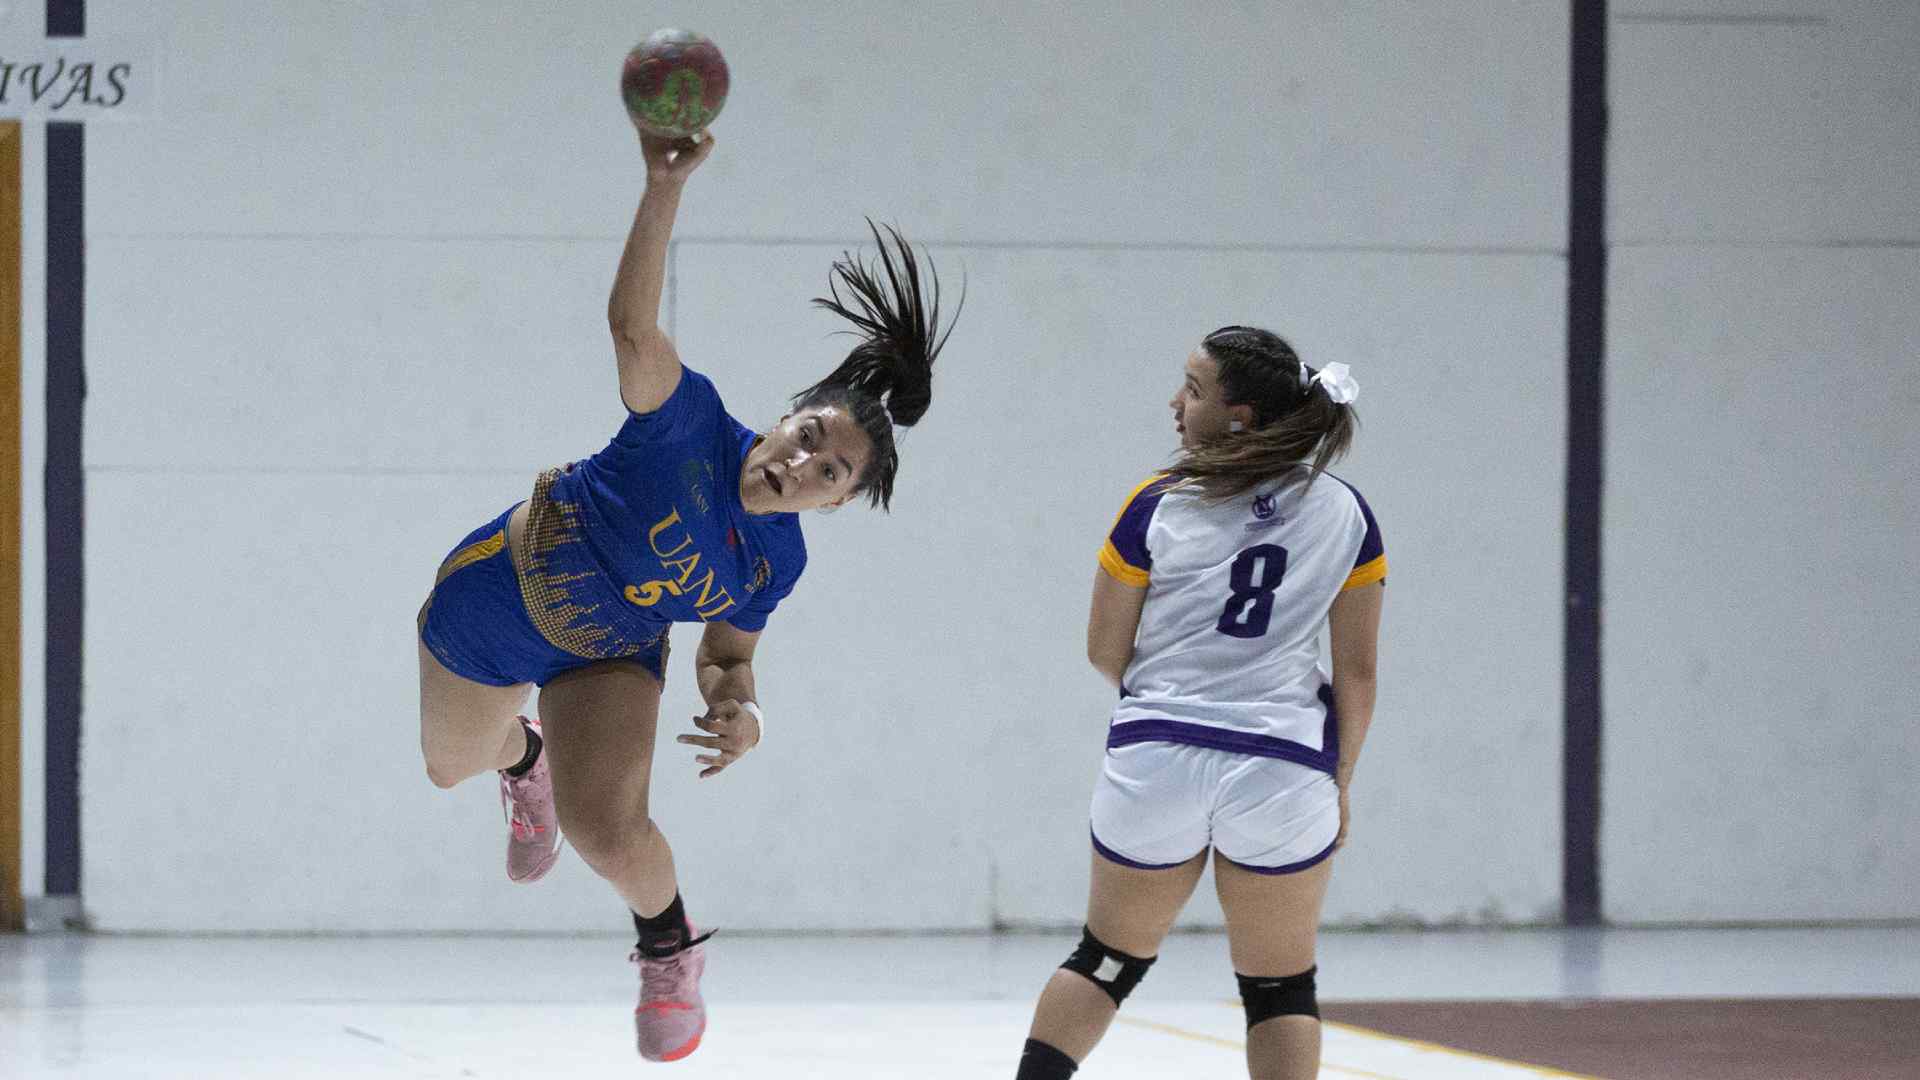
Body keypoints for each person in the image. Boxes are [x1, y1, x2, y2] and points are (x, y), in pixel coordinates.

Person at [415, 127, 957, 1062]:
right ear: (785, 414)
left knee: (610, 831)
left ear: (835, 502)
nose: (803, 463)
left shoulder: (775, 562)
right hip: (499, 594)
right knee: (447, 766)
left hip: (612, 649)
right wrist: (663, 184)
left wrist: (742, 710)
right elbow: (632, 325)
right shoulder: (687, 418)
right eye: (807, 434)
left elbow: (726, 654)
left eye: (830, 472)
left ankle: (669, 949)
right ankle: (519, 764)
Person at [1013, 326, 1384, 1080]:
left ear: (1240, 416)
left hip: (1157, 754)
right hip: (1283, 768)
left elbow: (1103, 650)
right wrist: (1338, 784)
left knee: (1107, 960)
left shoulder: (1158, 503)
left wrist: (1170, 702)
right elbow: (1358, 676)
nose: (1174, 401)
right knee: (1279, 988)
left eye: (1192, 387)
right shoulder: (1346, 513)